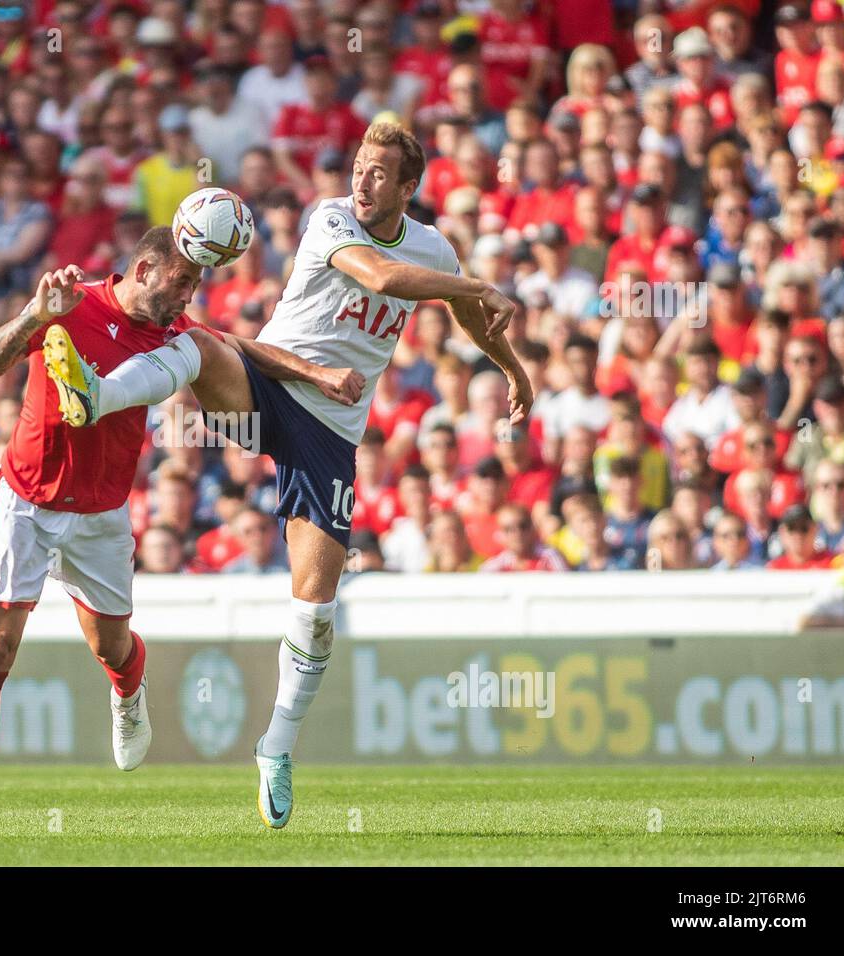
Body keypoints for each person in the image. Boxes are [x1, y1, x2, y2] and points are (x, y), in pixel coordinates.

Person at [43, 121, 528, 828]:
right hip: (269, 383)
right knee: (200, 342)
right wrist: (479, 282)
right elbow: (383, 277)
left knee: (317, 610)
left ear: (408, 188)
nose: (362, 181)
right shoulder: (329, 217)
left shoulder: (434, 250)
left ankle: (276, 745)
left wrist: (513, 366)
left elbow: (469, 315)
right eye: (359, 167)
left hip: (330, 430)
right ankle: (98, 392)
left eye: (379, 174)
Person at [0, 233, 356, 842]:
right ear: (143, 268)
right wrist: (32, 314)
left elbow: (241, 348)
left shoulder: (174, 332)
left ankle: (128, 691)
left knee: (111, 645)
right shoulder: (68, 303)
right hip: (24, 502)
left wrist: (319, 373)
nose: (187, 295)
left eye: (195, 287)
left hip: (102, 514)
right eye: (180, 281)